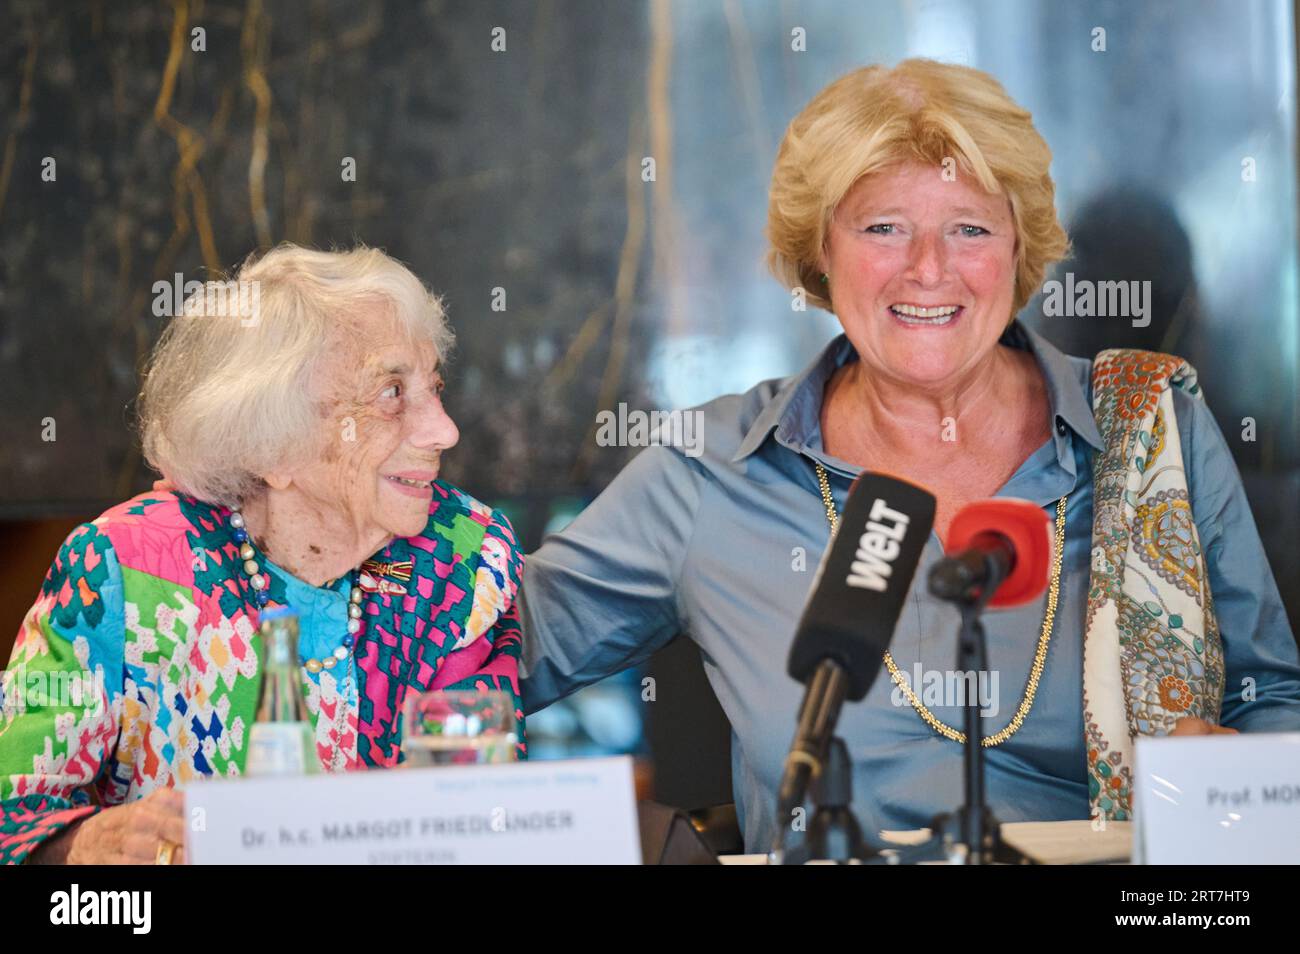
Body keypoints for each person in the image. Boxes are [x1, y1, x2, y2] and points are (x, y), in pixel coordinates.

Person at [519, 59, 1300, 852]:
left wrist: (1244, 775)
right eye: (883, 226)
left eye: (970, 227)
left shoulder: (1155, 428)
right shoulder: (708, 469)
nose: (928, 268)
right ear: (821, 249)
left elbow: (1271, 699)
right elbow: (482, 656)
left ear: (1019, 248)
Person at [0, 244, 525, 864]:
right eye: (391, 392)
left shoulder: (462, 560)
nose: (444, 430)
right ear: (276, 443)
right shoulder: (126, 569)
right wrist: (85, 847)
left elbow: (486, 818)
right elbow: (14, 812)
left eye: (432, 387)